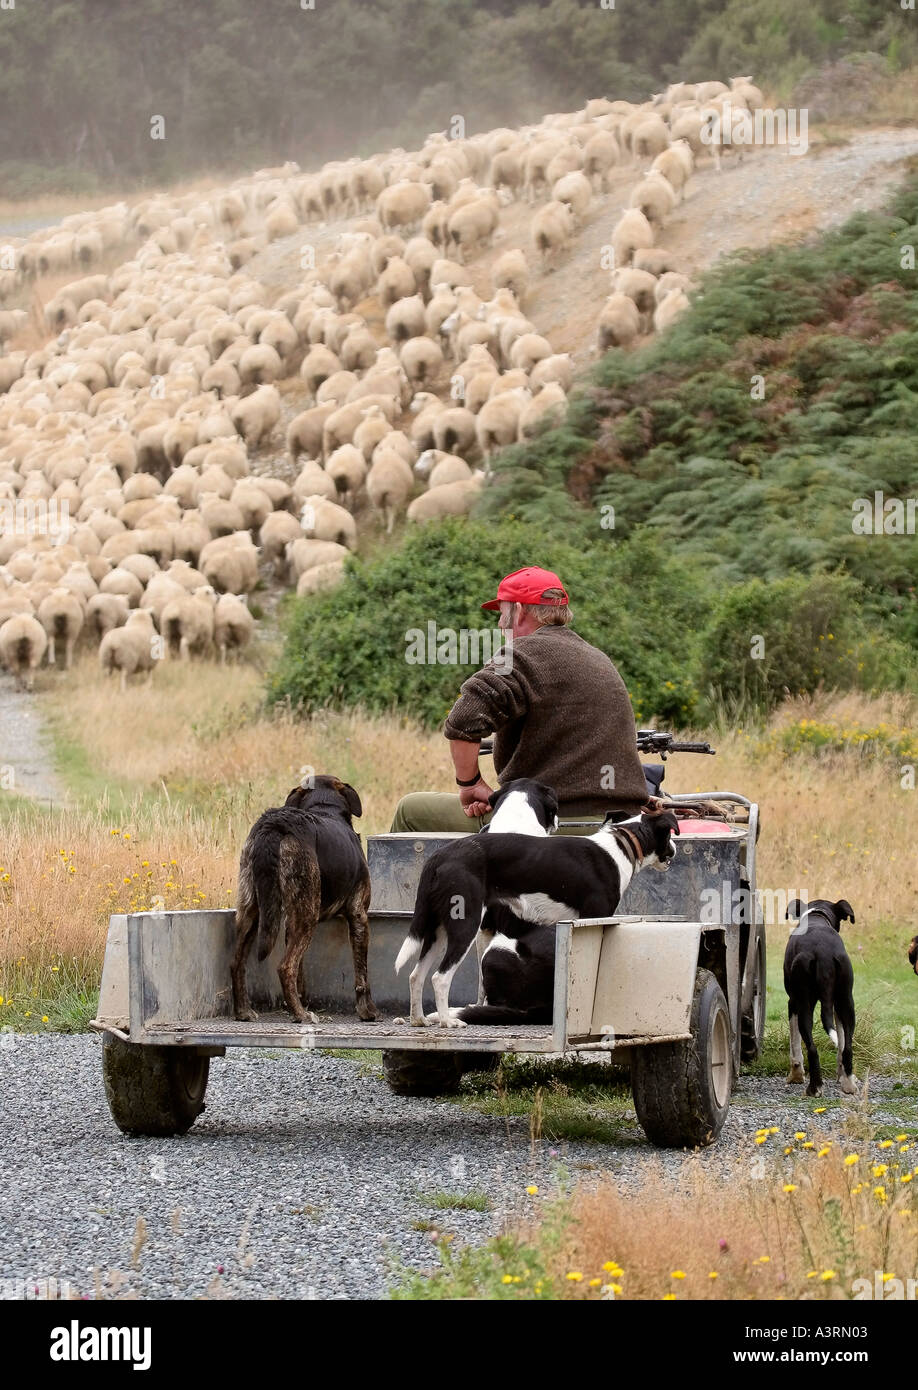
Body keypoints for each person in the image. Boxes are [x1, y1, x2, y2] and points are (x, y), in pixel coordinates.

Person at [390, 566, 649, 832]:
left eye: (502, 614)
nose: (501, 624)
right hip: (621, 823)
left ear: (519, 610)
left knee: (410, 810)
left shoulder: (523, 653)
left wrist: (470, 785)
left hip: (553, 821)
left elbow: (463, 720)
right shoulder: (597, 657)